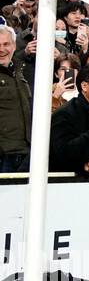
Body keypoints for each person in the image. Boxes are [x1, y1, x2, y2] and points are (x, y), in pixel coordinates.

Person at [0, 24, 33, 172]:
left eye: (6, 44)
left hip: (25, 153)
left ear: (14, 46)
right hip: (3, 155)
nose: (2, 49)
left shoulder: (20, 71)